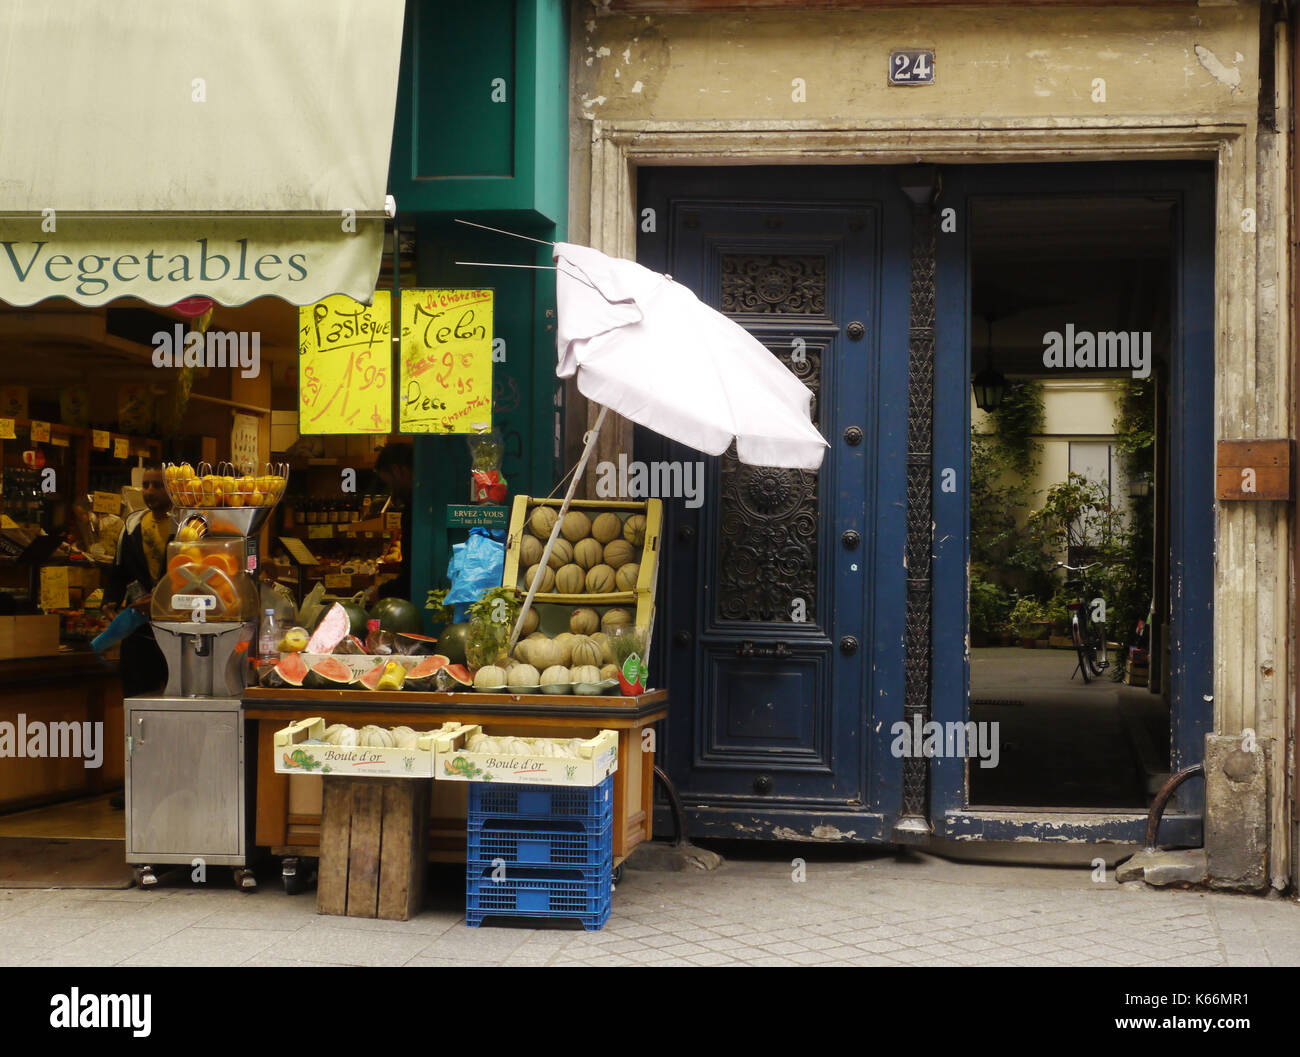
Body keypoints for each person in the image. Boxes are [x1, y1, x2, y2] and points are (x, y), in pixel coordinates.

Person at [103, 461, 174, 698]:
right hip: (138, 632)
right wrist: (110, 600)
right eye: (145, 485)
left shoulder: (187, 526)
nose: (149, 491)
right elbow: (119, 570)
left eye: (157, 485)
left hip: (175, 633)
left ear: (173, 488)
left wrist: (159, 601)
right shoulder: (132, 524)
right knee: (136, 700)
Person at [371, 442, 413, 602]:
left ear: (397, 471)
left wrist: (383, 592)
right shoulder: (417, 506)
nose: (391, 491)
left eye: (389, 483)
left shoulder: (415, 511)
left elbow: (413, 574)